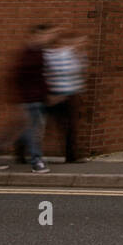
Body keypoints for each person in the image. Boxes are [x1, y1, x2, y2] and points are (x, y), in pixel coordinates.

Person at [0, 24, 55, 173]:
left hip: (36, 99)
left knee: (20, 130)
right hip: (28, 100)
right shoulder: (27, 54)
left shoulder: (40, 53)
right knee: (32, 130)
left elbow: (41, 78)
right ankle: (36, 161)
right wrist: (16, 99)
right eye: (46, 35)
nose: (48, 38)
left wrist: (47, 94)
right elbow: (14, 77)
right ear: (36, 35)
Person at [43, 30, 87, 164]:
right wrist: (50, 94)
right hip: (55, 95)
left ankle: (71, 156)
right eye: (80, 42)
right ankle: (24, 148)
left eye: (84, 42)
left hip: (71, 95)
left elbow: (80, 75)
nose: (83, 44)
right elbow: (48, 73)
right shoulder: (56, 55)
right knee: (44, 126)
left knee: (70, 127)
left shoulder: (80, 56)